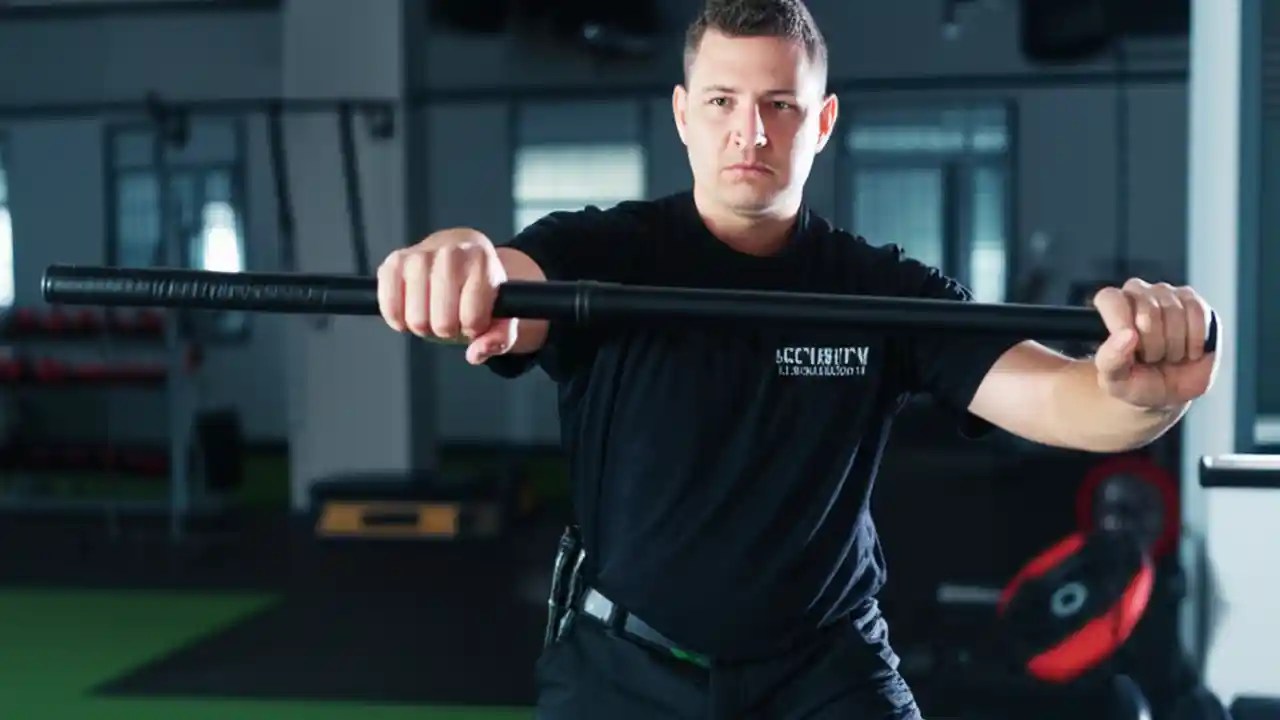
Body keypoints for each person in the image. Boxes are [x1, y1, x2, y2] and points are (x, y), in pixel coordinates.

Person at [376, 0, 1220, 716]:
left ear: (821, 122)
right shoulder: (605, 251)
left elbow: (1061, 399)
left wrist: (1147, 396)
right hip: (623, 670)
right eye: (721, 101)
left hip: (824, 673)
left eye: (780, 103)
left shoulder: (876, 286)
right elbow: (502, 282)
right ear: (682, 114)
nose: (750, 129)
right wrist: (457, 260)